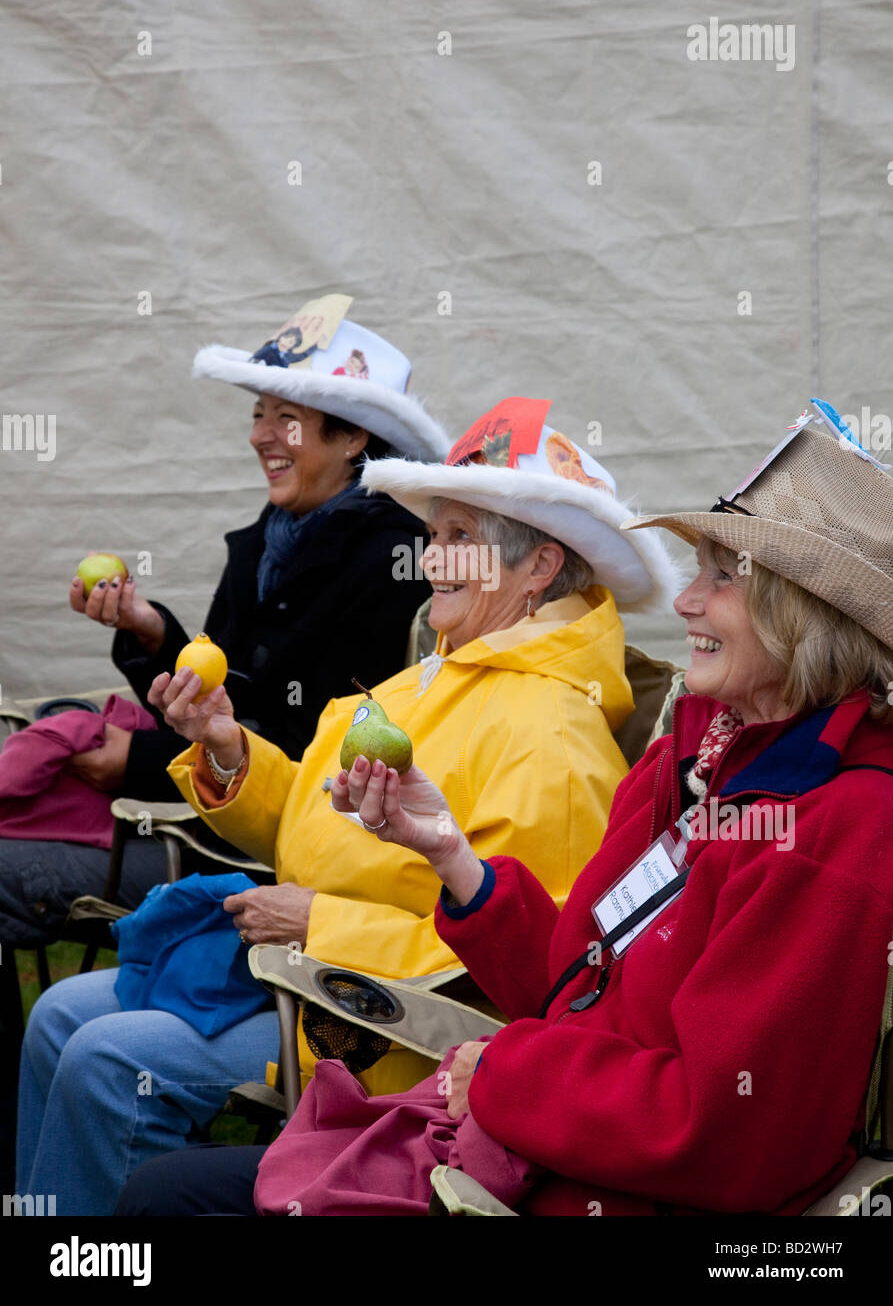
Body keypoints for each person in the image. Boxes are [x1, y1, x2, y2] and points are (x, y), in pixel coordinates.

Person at [117, 402, 893, 1217]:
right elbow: (571, 979)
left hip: (568, 1180)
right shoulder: (689, 763)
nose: (685, 603)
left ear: (801, 615)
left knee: (162, 1189)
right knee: (161, 1188)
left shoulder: (824, 827)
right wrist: (452, 857)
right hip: (512, 1139)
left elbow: (726, 1130)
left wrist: (501, 1074)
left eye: (721, 578)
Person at [16, 395, 678, 1214]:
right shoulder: (443, 669)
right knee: (56, 1015)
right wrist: (226, 746)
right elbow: (318, 815)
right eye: (434, 536)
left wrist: (318, 923)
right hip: (296, 976)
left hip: (379, 1029)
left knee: (107, 1057)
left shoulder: (549, 731)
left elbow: (540, 974)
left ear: (538, 568)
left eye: (458, 541)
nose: (429, 560)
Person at [0, 295, 446, 1189]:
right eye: (257, 414)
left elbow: (312, 747)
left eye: (288, 417)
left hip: (253, 871)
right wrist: (148, 630)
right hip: (235, 833)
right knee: (57, 1009)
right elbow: (221, 696)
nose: (262, 436)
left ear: (354, 436)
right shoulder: (271, 542)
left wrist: (138, 762)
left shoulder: (391, 561)